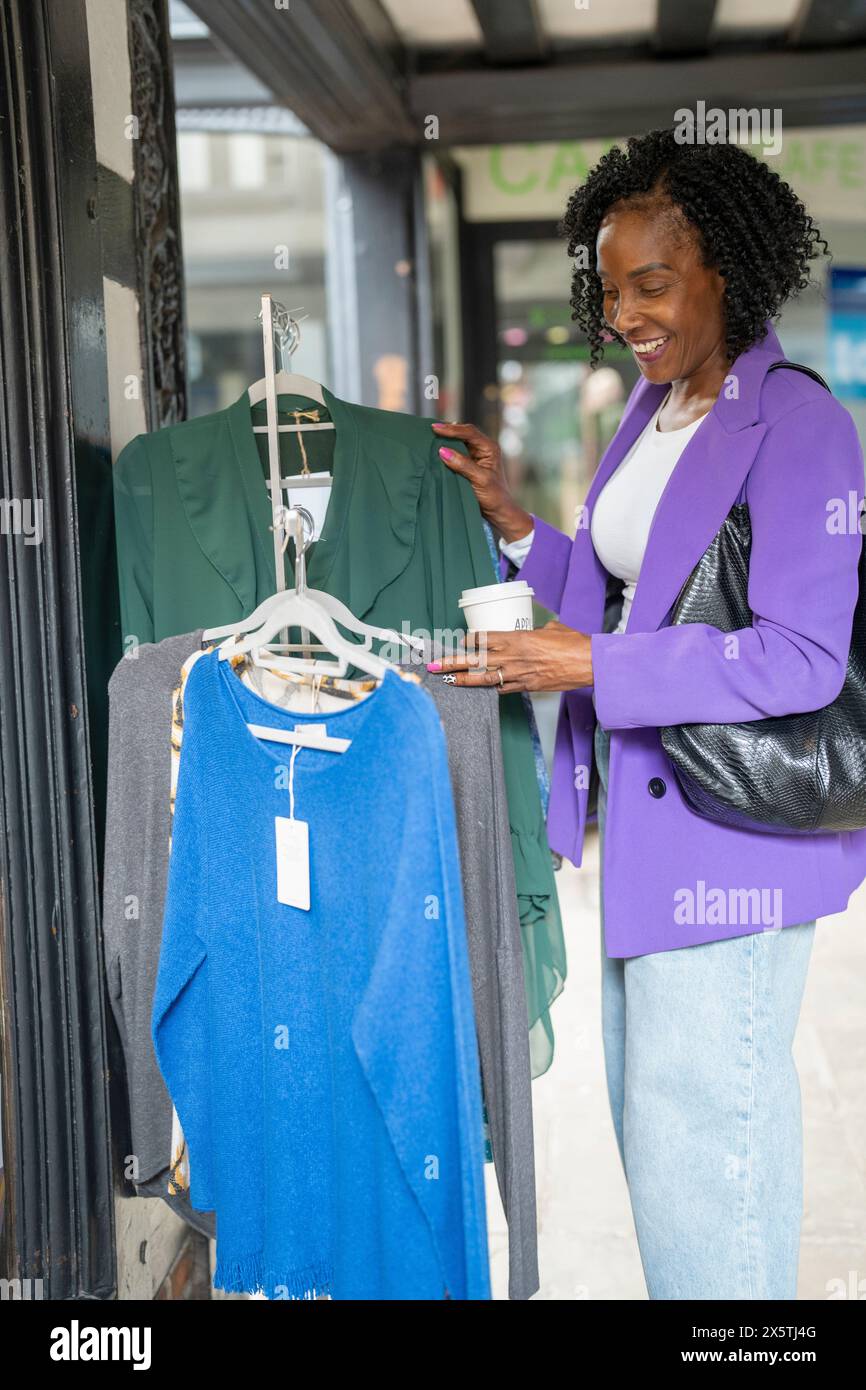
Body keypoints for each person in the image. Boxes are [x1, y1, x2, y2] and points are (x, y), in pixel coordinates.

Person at [428, 127, 866, 1300]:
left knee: (703, 1154)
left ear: (725, 264)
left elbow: (798, 658)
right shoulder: (654, 407)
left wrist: (591, 670)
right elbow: (634, 594)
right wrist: (517, 526)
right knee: (671, 1136)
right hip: (655, 832)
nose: (623, 311)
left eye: (650, 284)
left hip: (736, 838)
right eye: (608, 286)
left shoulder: (800, 425)